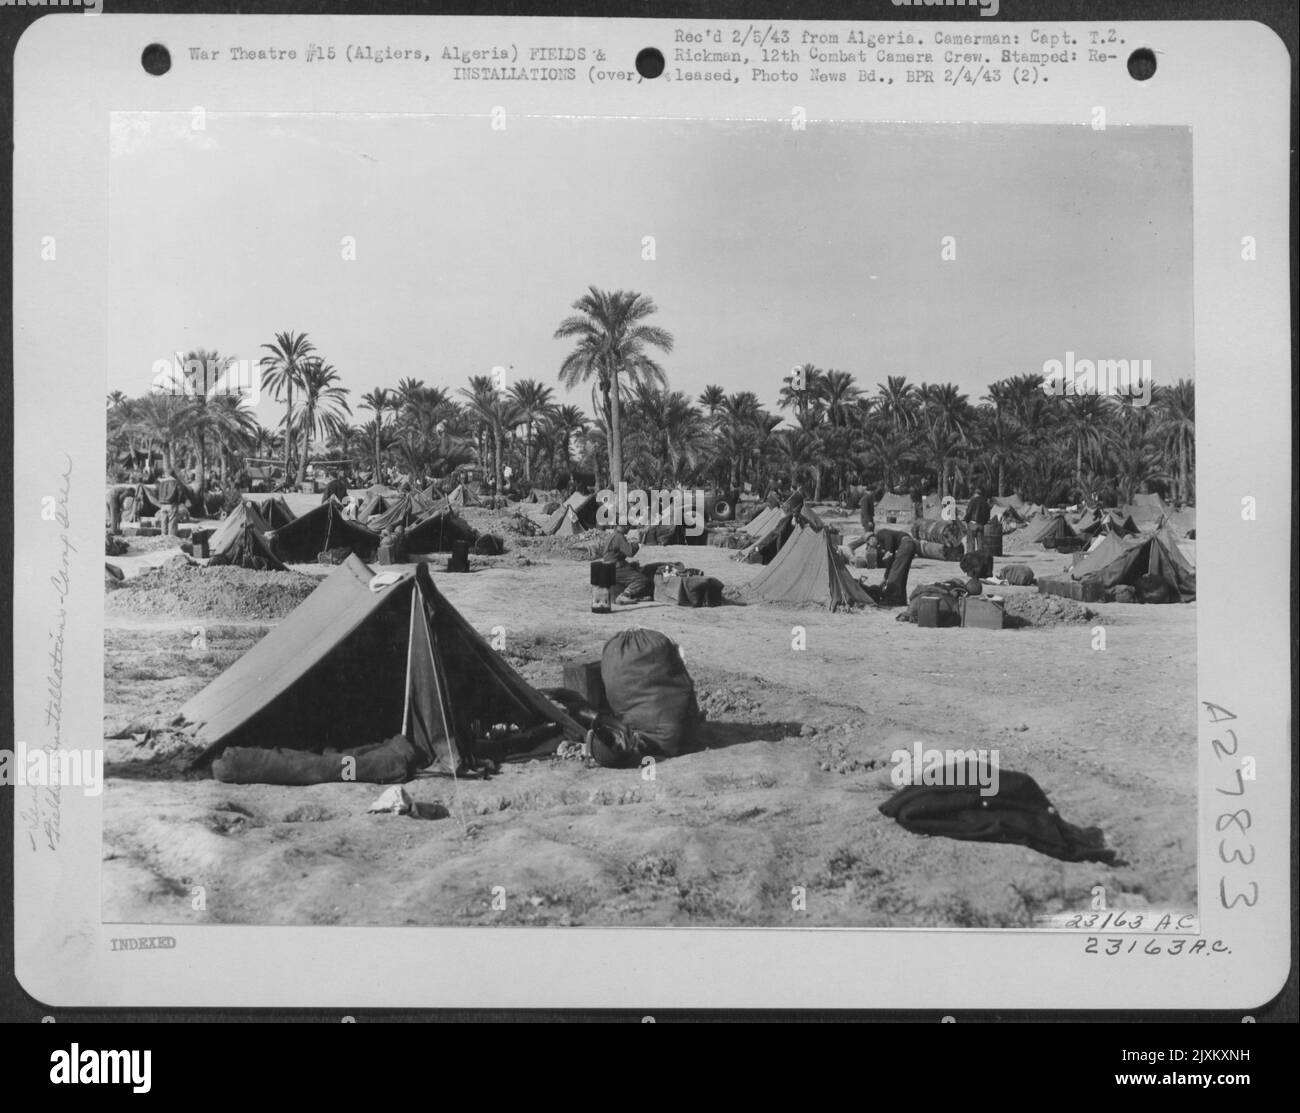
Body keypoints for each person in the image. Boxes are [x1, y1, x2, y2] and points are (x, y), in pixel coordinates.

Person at [965, 487, 991, 554]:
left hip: (972, 524)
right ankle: (980, 558)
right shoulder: (985, 502)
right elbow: (988, 514)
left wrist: (966, 520)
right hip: (981, 525)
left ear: (975, 494)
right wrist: (984, 523)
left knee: (971, 543)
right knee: (980, 544)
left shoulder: (972, 501)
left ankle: (971, 558)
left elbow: (969, 512)